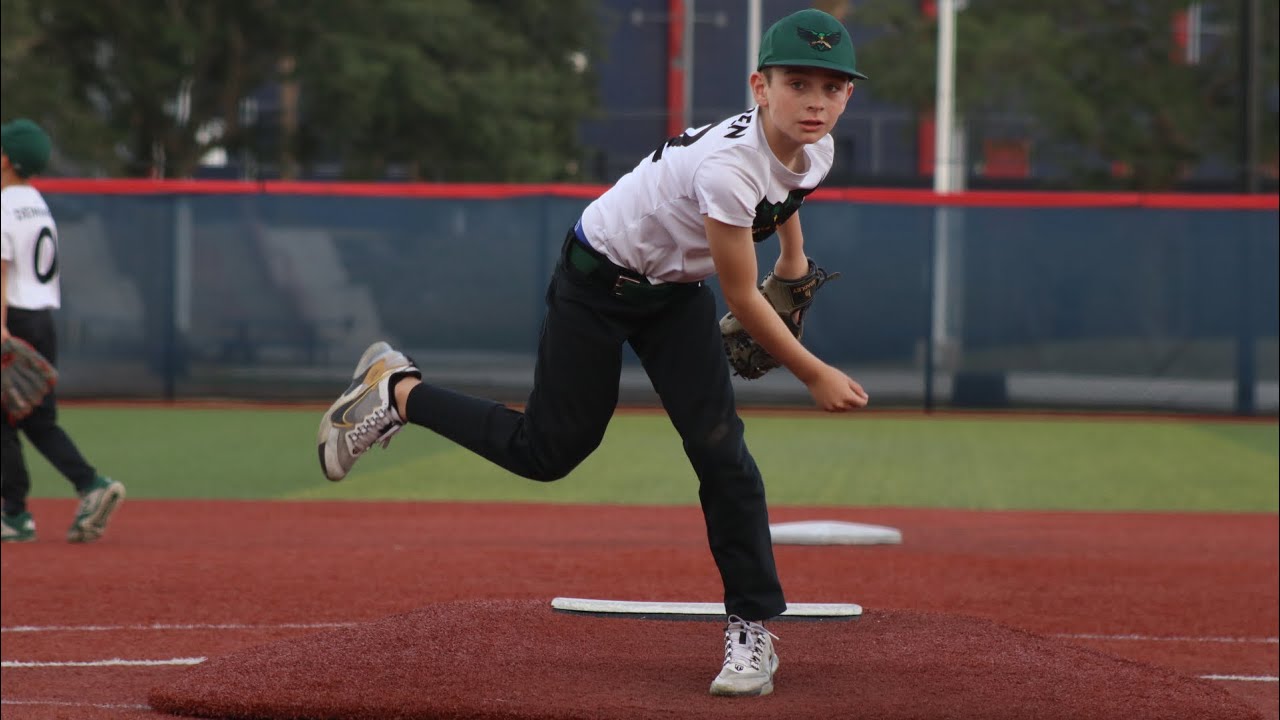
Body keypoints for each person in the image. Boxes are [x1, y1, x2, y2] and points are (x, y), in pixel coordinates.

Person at [316, 8, 868, 697]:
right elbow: (742, 298)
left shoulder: (817, 148)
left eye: (832, 86)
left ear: (848, 95)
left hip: (673, 292)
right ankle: (398, 391)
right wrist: (812, 371)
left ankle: (752, 626)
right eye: (798, 83)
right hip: (597, 280)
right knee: (548, 453)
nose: (815, 101)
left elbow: (783, 200)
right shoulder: (728, 168)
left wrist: (792, 260)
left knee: (722, 450)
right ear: (760, 87)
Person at [1, 118, 125, 543]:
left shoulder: (2, 205)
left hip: (12, 320)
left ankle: (14, 514)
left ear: (4, 160)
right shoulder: (36, 202)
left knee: (5, 420)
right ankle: (90, 485)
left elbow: (1, 271)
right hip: (41, 321)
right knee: (38, 420)